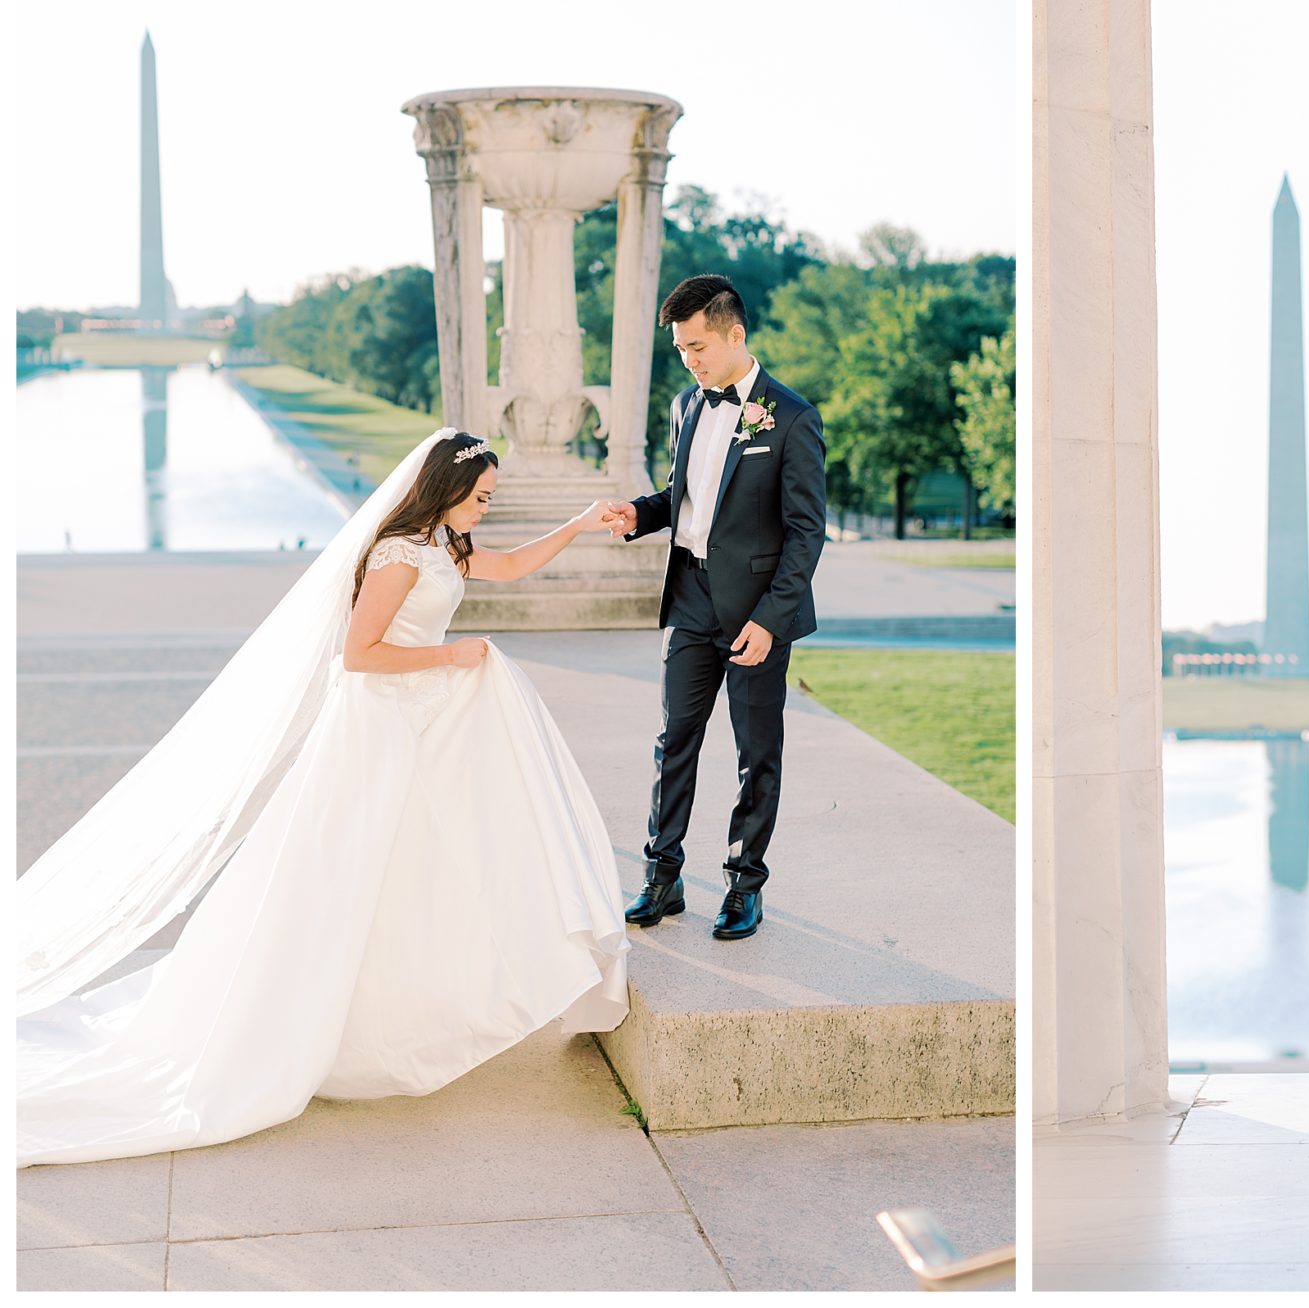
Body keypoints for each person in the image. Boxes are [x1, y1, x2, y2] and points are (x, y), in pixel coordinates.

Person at [18, 429, 628, 1167]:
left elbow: (509, 564)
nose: (484, 510)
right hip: (379, 725)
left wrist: (579, 523)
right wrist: (451, 654)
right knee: (349, 870)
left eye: (490, 499)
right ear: (445, 489)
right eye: (480, 497)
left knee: (410, 867)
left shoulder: (444, 542)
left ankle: (395, 1013)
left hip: (419, 716)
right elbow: (359, 654)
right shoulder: (398, 554)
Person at [601, 274, 827, 942]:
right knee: (674, 740)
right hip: (690, 597)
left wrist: (771, 619)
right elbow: (686, 493)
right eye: (680, 349)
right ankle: (662, 877)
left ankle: (744, 886)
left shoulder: (793, 418)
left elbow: (807, 533)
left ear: (735, 334)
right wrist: (640, 513)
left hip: (758, 611)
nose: (689, 360)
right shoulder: (685, 406)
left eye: (697, 347)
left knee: (756, 754)